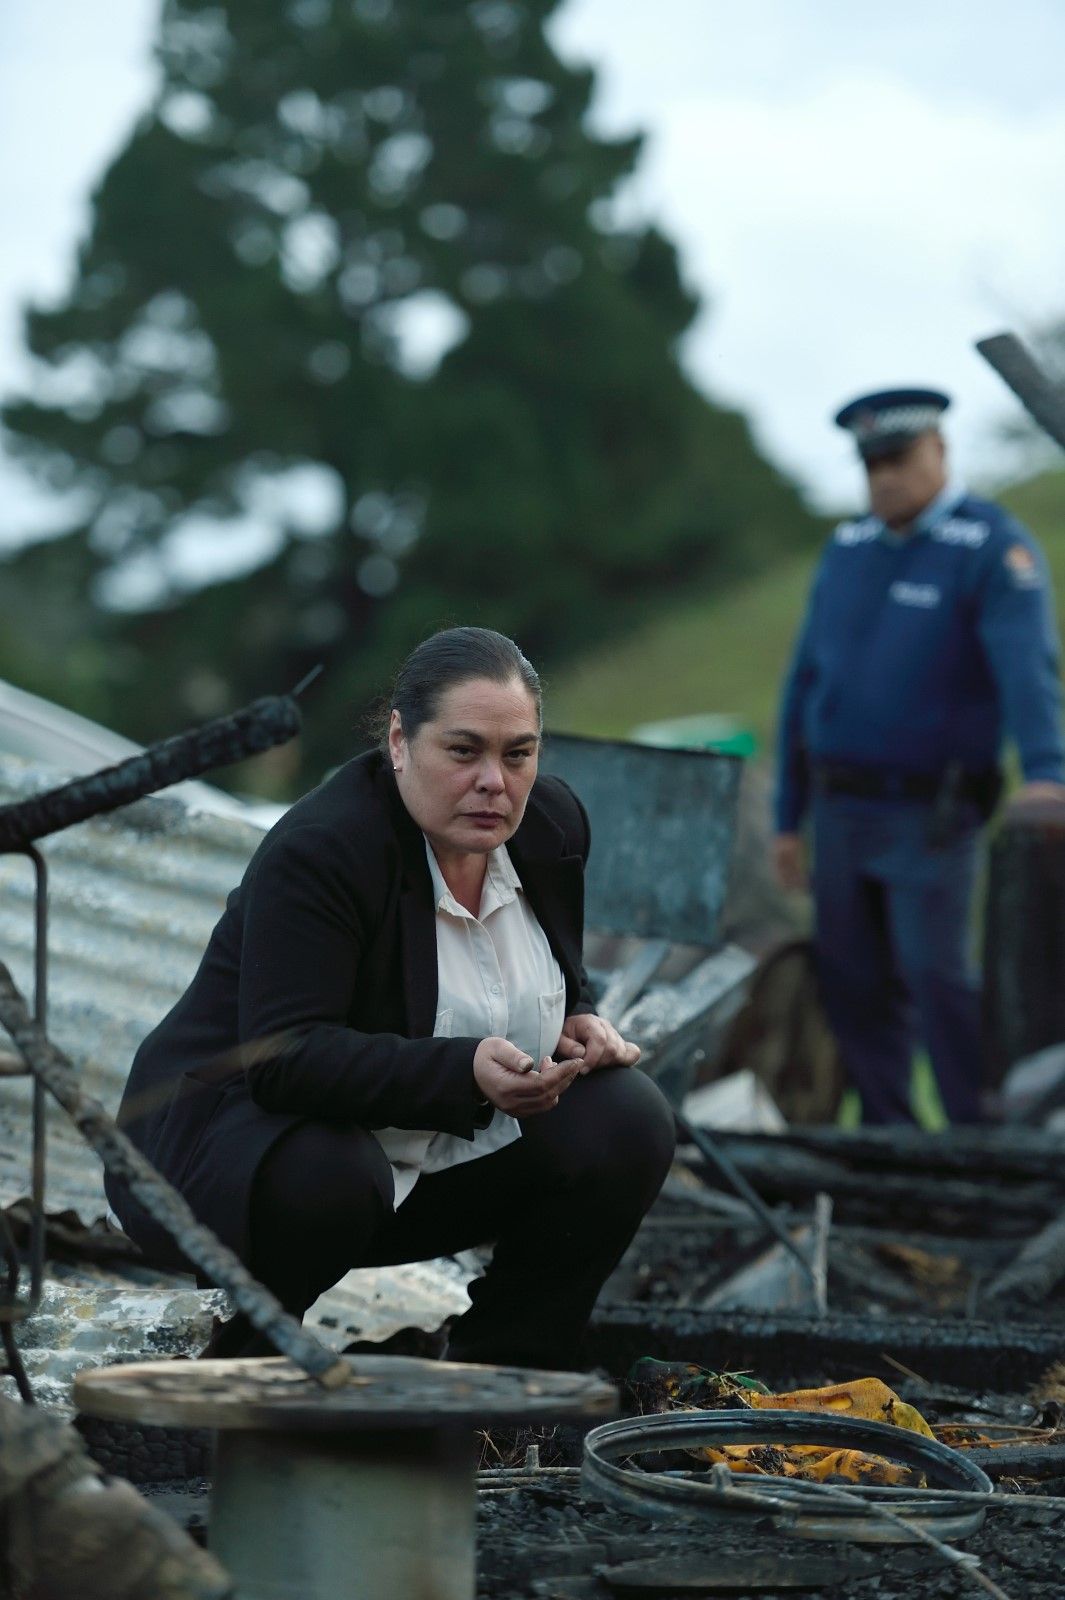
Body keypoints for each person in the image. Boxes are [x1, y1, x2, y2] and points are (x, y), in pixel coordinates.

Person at [107, 626, 675, 1369]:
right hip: (228, 1166)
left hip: (413, 1167)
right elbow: (285, 1059)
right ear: (400, 742)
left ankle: (502, 1380)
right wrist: (463, 1071)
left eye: (518, 754)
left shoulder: (550, 827)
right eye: (463, 751)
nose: (494, 782)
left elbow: (558, 963)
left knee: (628, 1118)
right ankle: (243, 1370)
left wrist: (579, 1016)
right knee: (331, 1170)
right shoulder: (325, 850)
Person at [773, 388, 1065, 1125]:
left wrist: (1046, 773)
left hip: (930, 814)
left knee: (938, 980)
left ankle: (978, 1139)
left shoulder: (989, 548)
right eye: (871, 465)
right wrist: (786, 817)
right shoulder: (847, 550)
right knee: (852, 983)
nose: (884, 479)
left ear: (939, 450)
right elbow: (804, 683)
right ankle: (889, 1137)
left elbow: (1027, 671)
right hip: (839, 811)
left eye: (898, 460)